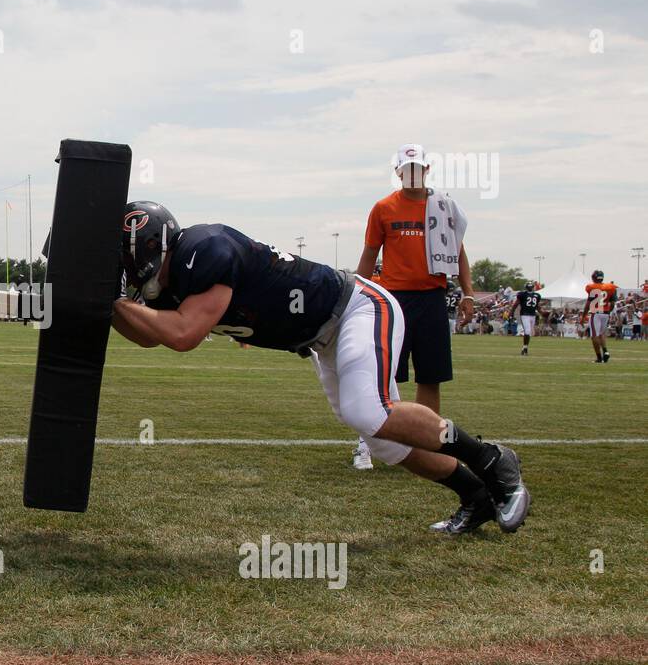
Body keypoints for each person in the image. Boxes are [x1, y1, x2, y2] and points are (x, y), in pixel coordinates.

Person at [113, 200, 530, 535]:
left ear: (155, 245)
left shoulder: (204, 249)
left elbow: (184, 335)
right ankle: (475, 497)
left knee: (368, 410)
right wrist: (109, 310)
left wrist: (115, 303)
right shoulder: (172, 280)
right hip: (321, 336)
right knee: (384, 442)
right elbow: (153, 335)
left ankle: (493, 459)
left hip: (356, 306)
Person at [352, 143, 475, 471]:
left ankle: (426, 446)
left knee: (430, 377)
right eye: (406, 170)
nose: (412, 175)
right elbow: (369, 253)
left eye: (418, 168)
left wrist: (469, 293)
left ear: (427, 170)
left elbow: (459, 253)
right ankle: (366, 443)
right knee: (384, 378)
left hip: (433, 298)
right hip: (394, 300)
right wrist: (356, 294)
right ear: (397, 173)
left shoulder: (443, 207)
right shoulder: (383, 208)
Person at [581, 270, 618, 363]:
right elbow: (613, 303)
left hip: (596, 313)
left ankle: (599, 358)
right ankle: (605, 352)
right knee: (601, 334)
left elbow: (588, 304)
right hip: (605, 313)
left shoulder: (591, 287)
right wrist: (608, 311)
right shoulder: (610, 287)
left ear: (594, 277)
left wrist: (583, 317)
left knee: (594, 336)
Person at [510, 282, 542, 355]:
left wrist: (542, 313)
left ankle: (525, 348)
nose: (530, 288)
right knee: (527, 331)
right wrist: (511, 312)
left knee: (529, 333)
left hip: (533, 315)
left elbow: (537, 306)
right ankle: (525, 348)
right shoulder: (522, 294)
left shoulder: (537, 295)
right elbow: (516, 304)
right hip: (525, 315)